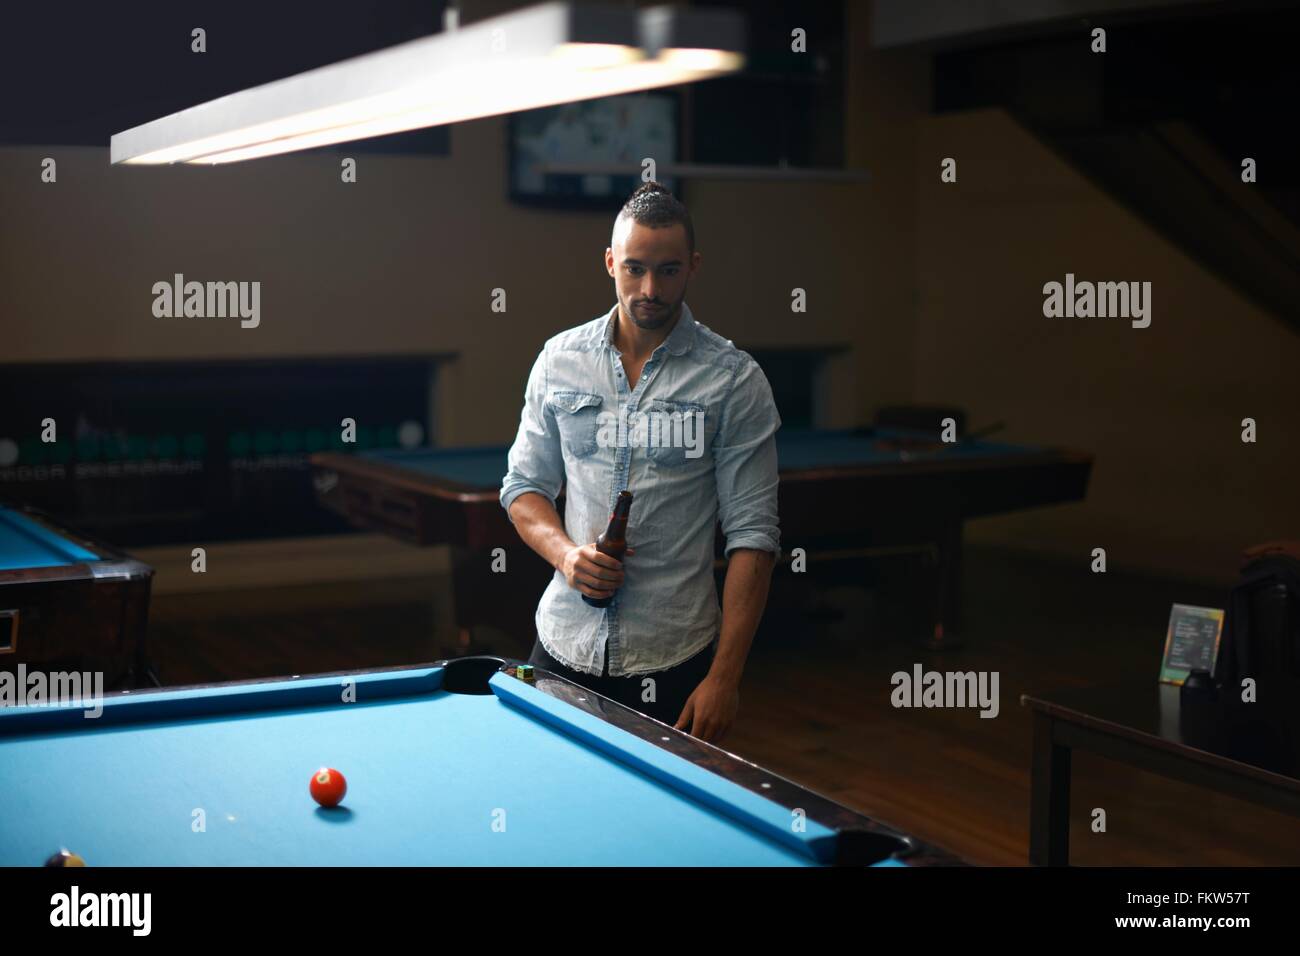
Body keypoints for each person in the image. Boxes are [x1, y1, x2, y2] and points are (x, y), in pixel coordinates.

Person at [500, 182, 780, 742]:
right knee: (547, 813)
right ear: (610, 263)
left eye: (668, 270)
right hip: (561, 646)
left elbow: (753, 537)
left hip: (675, 660)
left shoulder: (734, 380)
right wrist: (567, 556)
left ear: (693, 267)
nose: (650, 289)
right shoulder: (559, 360)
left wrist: (725, 678)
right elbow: (524, 487)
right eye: (634, 269)